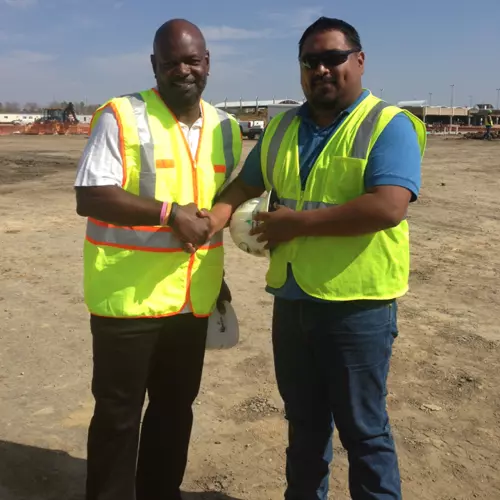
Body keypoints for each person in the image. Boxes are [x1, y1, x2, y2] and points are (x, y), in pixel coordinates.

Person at [196, 16, 427, 500]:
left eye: (333, 58)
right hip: (294, 301)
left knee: (364, 431)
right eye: (310, 61)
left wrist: (295, 224)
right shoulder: (281, 128)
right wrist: (210, 221)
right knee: (304, 426)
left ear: (359, 61)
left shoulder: (389, 125)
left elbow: (388, 206)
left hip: (358, 307)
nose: (321, 69)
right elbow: (244, 185)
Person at [74, 19, 241, 500]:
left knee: (174, 411)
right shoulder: (122, 116)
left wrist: (219, 273)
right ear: (154, 66)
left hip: (191, 301)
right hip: (127, 300)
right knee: (118, 416)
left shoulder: (226, 129)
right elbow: (90, 196)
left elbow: (218, 201)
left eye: (192, 61)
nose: (182, 71)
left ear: (207, 63)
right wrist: (168, 214)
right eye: (171, 63)